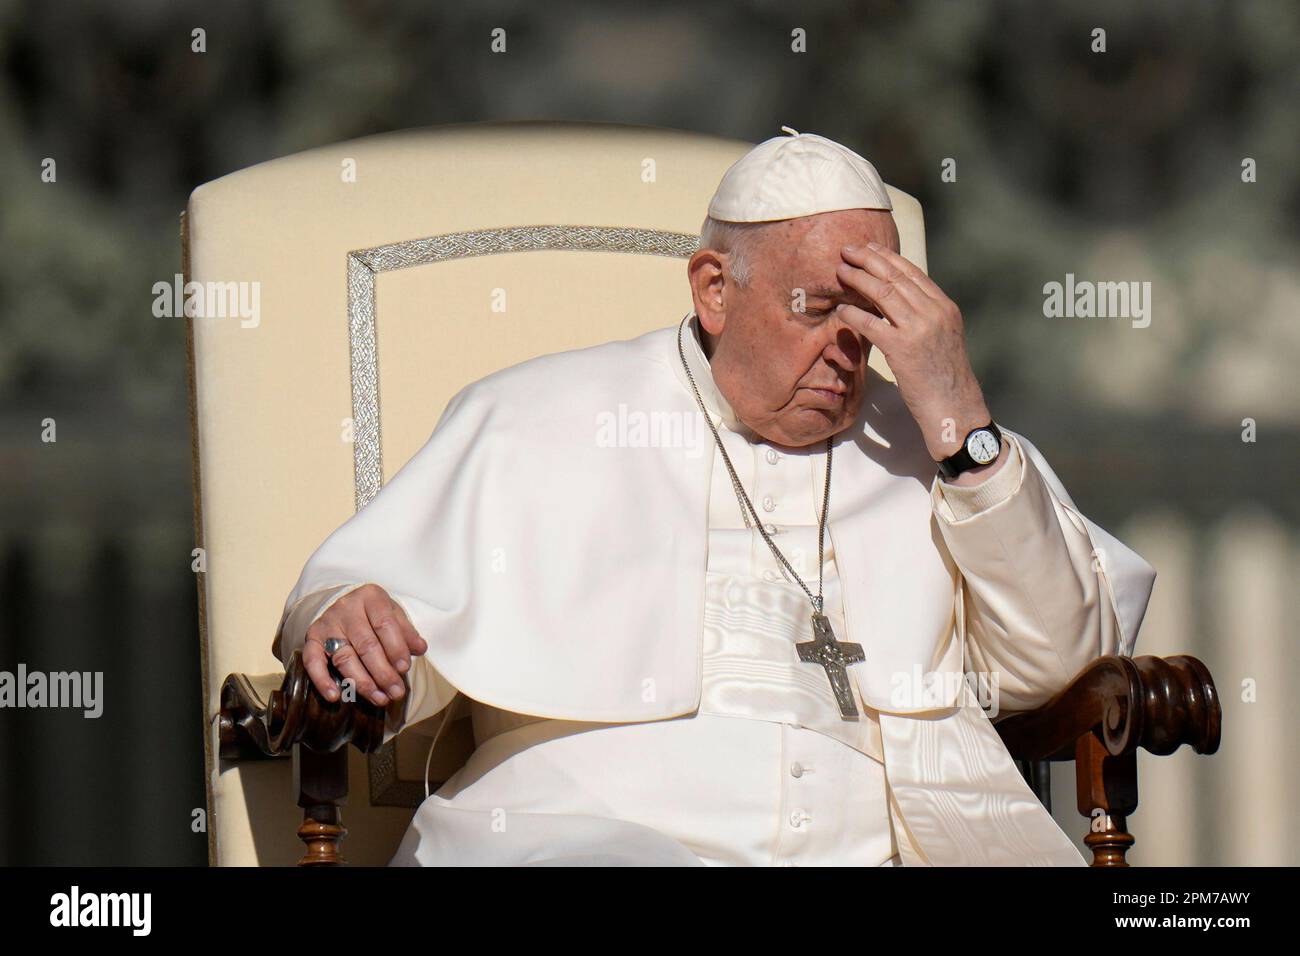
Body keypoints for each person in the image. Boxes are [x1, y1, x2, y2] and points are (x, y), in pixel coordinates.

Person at [272, 127, 1155, 866]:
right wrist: (348, 615)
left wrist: (961, 418)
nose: (848, 352)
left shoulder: (935, 445)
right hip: (585, 835)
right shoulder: (535, 415)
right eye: (816, 310)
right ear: (715, 289)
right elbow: (371, 610)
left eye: (873, 319)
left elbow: (1059, 665)